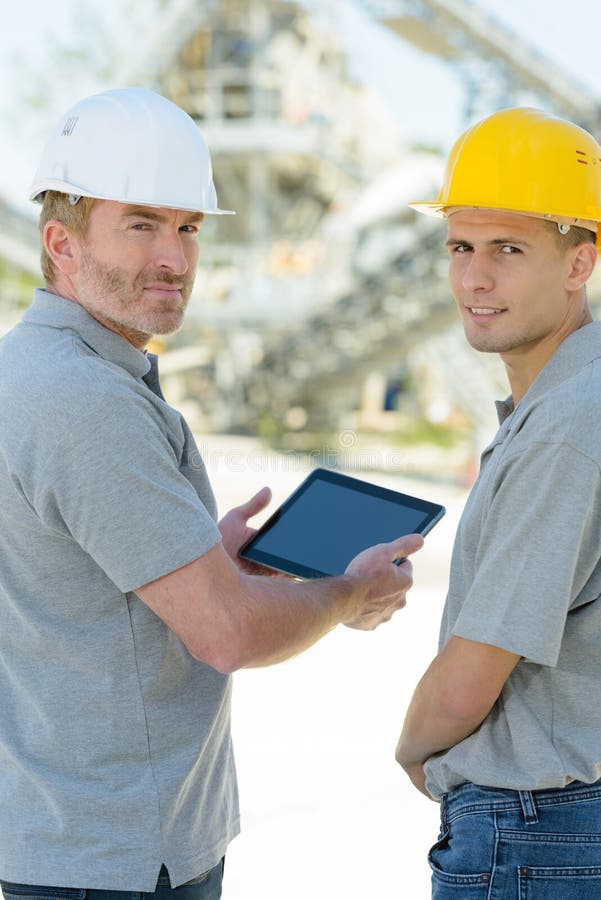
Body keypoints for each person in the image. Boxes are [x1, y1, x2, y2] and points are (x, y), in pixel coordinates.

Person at [0, 87, 423, 898]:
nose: (175, 257)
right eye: (140, 224)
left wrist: (205, 555)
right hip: (117, 858)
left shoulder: (32, 368)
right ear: (61, 243)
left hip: (71, 838)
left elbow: (76, 581)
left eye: (187, 227)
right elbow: (225, 634)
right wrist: (347, 591)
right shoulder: (86, 400)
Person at [395, 106, 601, 898]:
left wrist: (413, 750)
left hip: (535, 829)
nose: (474, 279)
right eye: (460, 247)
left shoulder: (568, 426)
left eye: (507, 250)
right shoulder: (564, 403)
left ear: (579, 262)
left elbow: (475, 668)